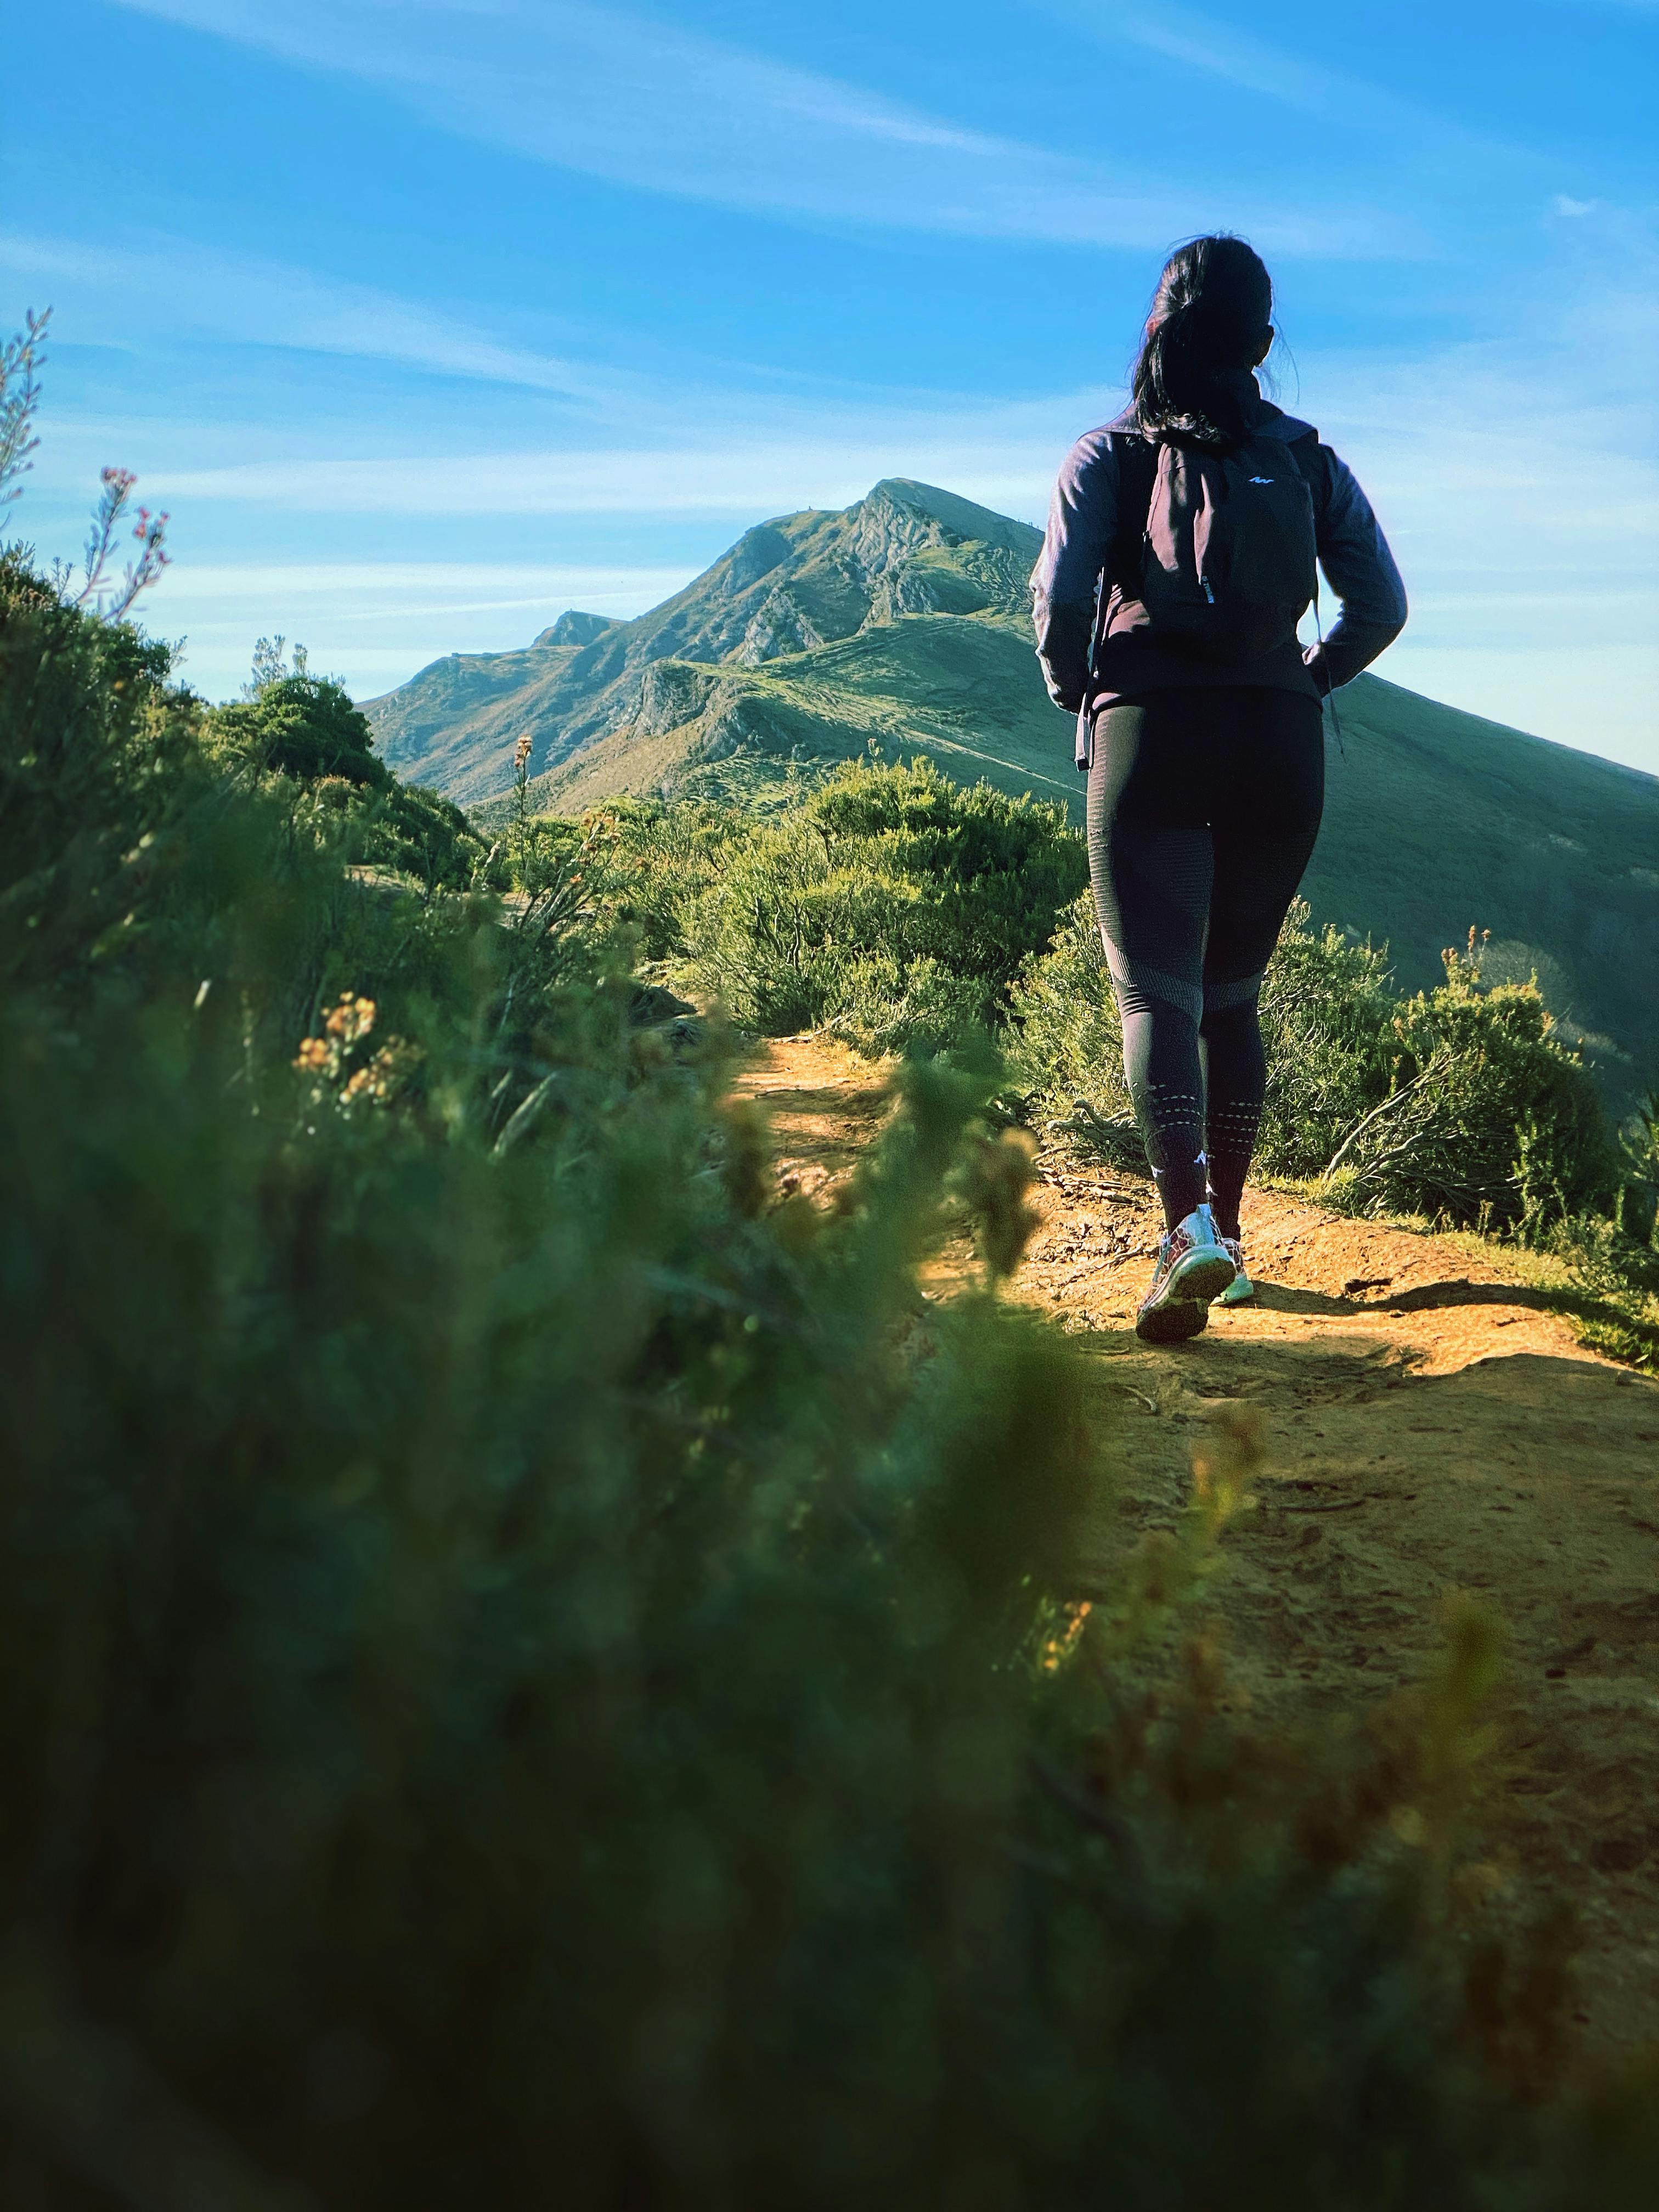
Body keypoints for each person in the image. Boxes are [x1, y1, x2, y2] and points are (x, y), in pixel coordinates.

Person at [1030, 234, 1407, 1344]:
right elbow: (1378, 604)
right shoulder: (1309, 461)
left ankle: (1185, 1228)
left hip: (1152, 728)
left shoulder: (1110, 454)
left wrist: (1084, 693)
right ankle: (1226, 1238)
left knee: (1158, 994)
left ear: (1155, 332)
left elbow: (1058, 604)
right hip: (1280, 739)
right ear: (1262, 345)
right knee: (1233, 994)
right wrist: (1304, 679)